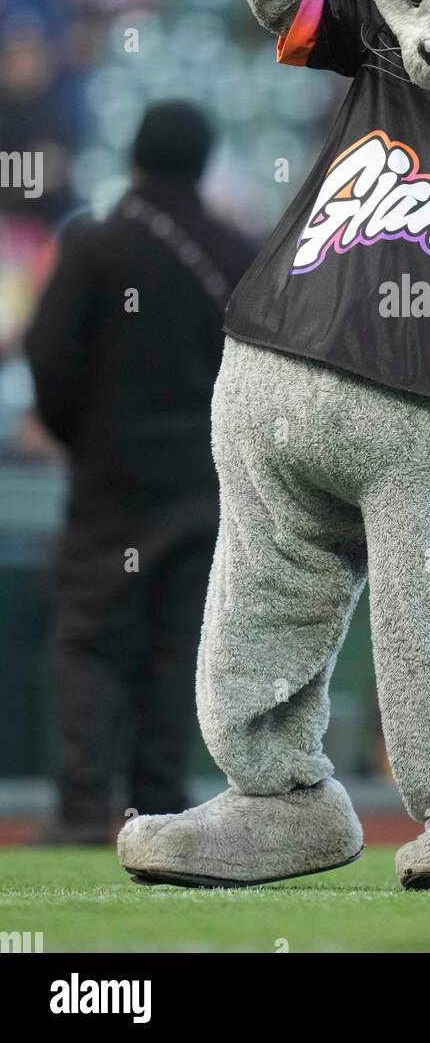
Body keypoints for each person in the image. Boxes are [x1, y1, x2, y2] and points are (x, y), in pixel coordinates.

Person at [25, 101, 256, 843]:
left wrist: (80, 438)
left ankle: (85, 808)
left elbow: (49, 361)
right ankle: (159, 806)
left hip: (111, 484)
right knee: (176, 646)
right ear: (202, 160)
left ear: (135, 157)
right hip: (207, 484)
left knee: (93, 640)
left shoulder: (94, 246)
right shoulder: (238, 251)